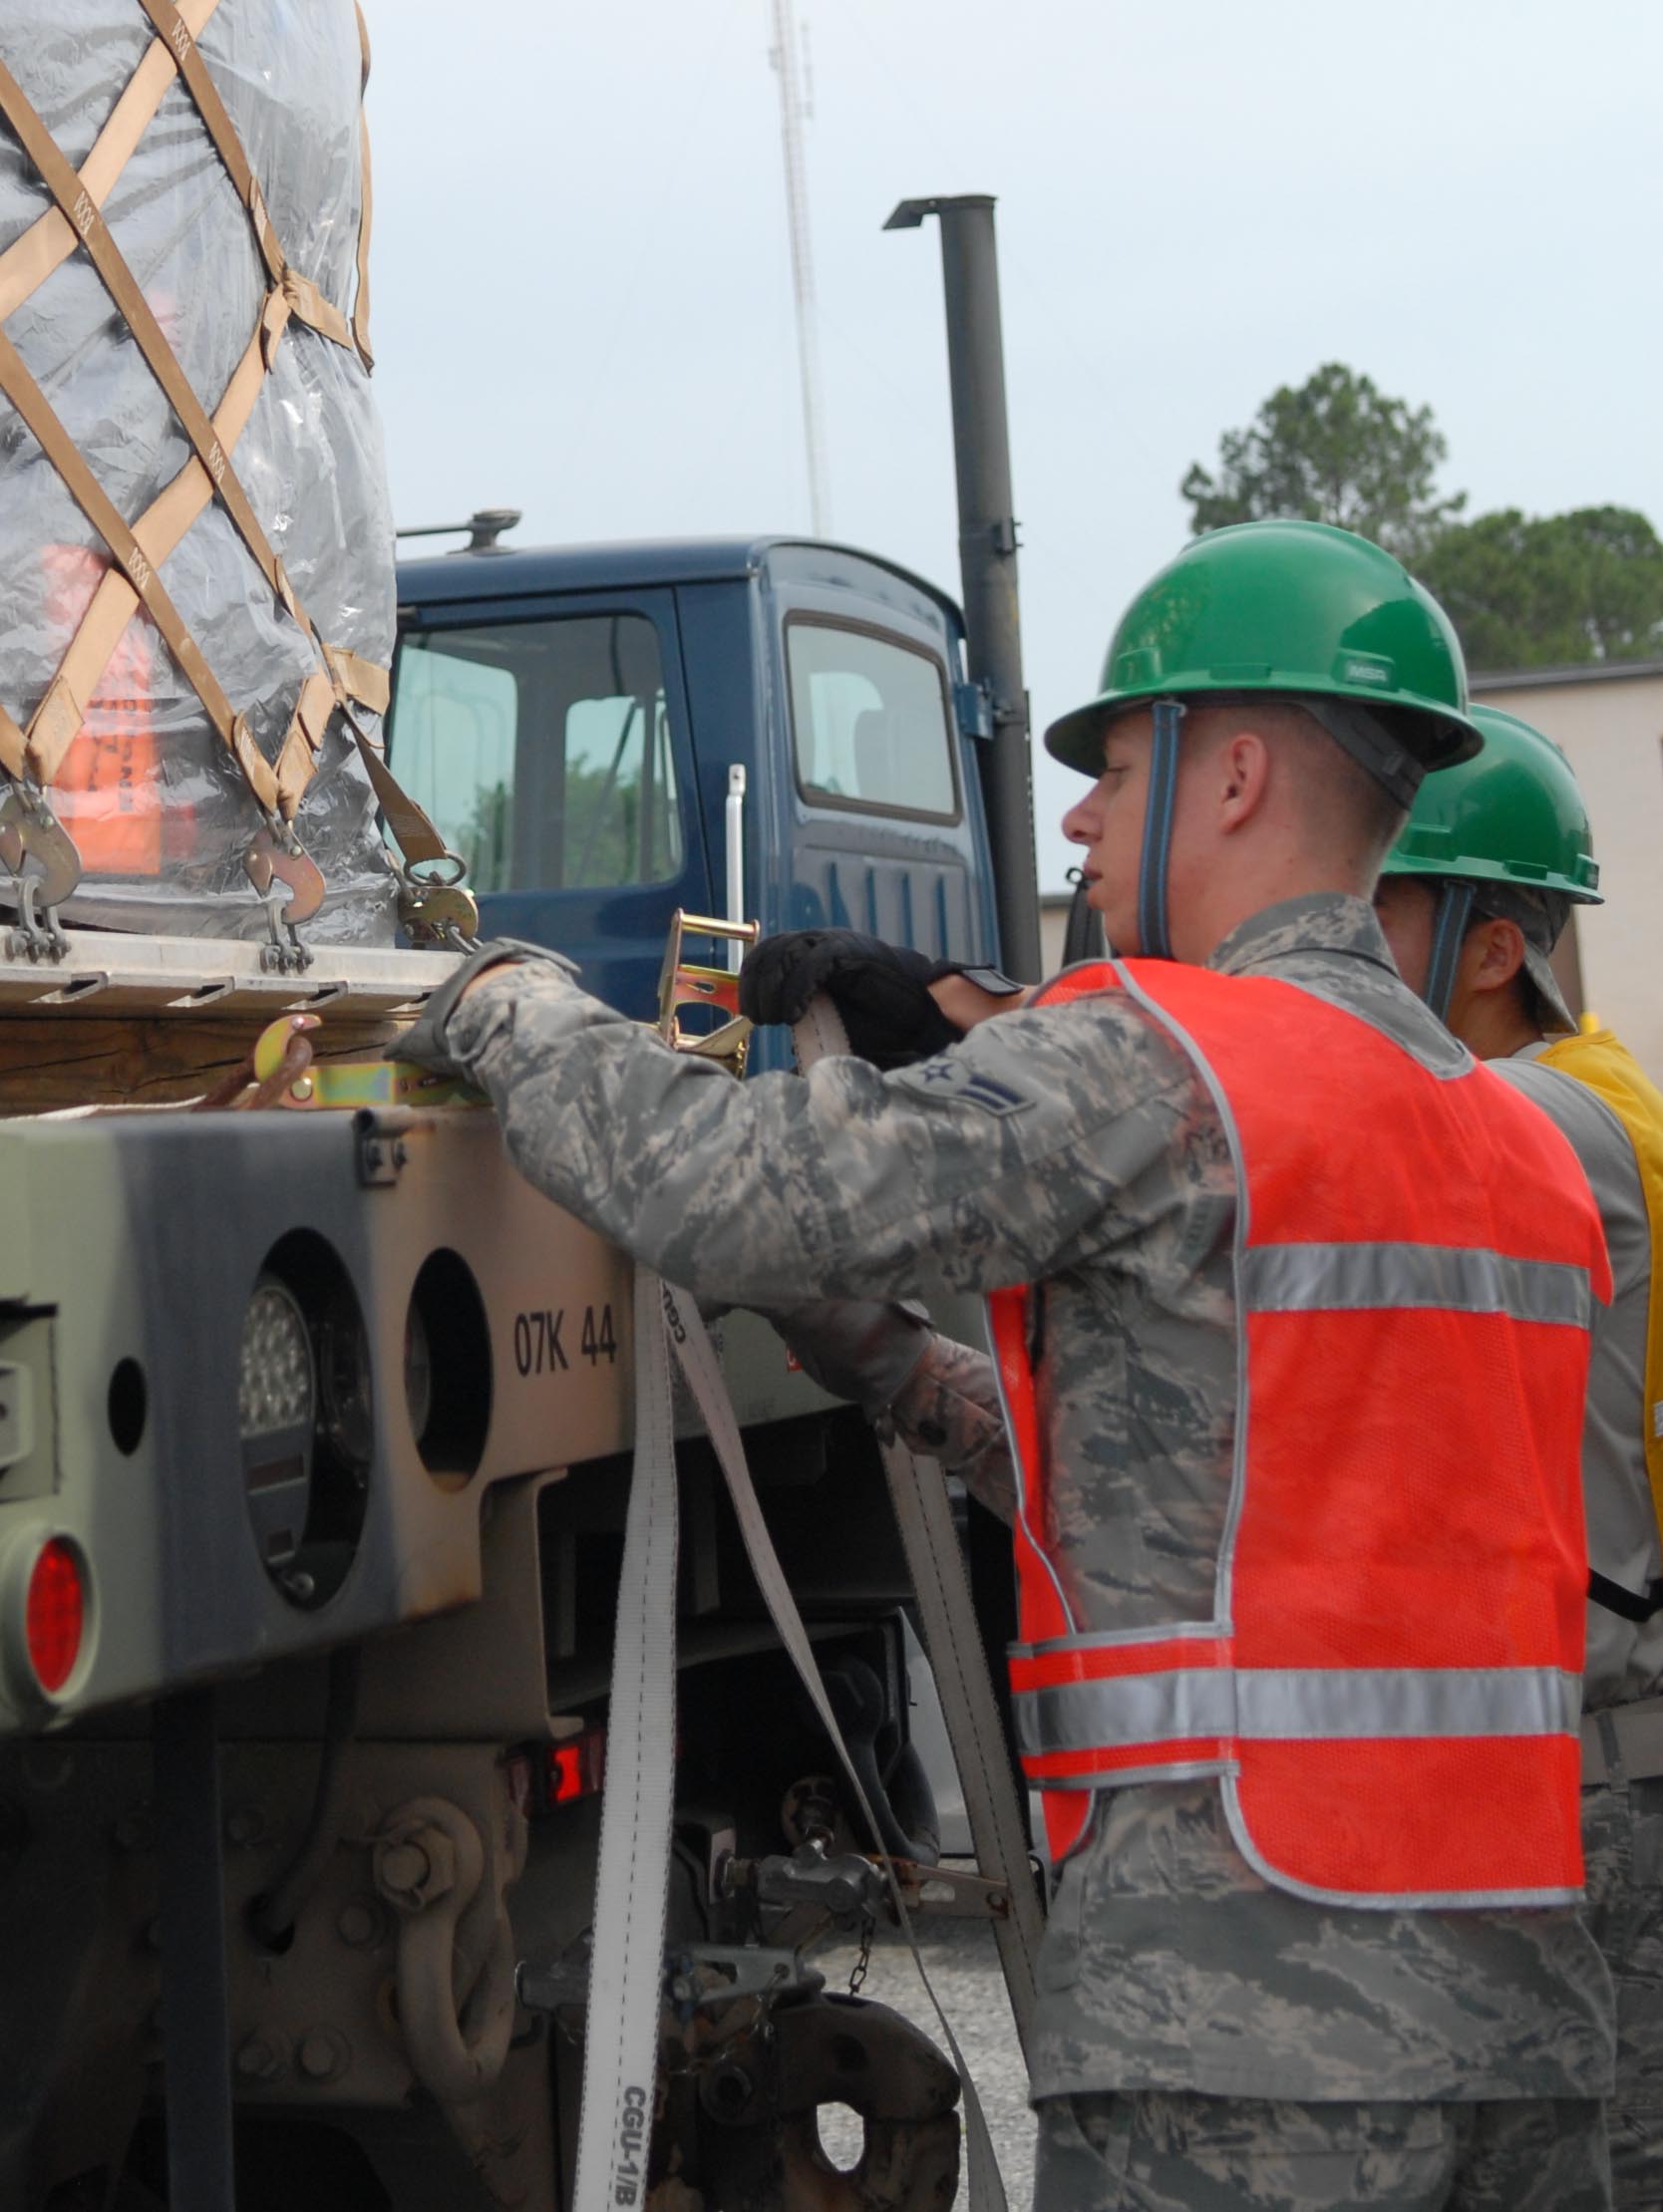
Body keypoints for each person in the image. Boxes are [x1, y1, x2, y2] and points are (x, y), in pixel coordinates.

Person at [397, 520, 1616, 2211]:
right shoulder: (1524, 1154)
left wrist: (503, 1000)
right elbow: (1251, 1508)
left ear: (1238, 773)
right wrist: (895, 1369)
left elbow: (720, 1184)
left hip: (1244, 2030)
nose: (1082, 820)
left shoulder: (1162, 1065)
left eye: (1116, 769)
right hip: (1522, 2030)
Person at [1374, 705, 1663, 2209]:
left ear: (1495, 950)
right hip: (1551, 1789)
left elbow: (1322, 1104)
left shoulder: (1566, 1118)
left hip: (1612, 1794)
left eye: (1376, 911)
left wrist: (992, 1023)